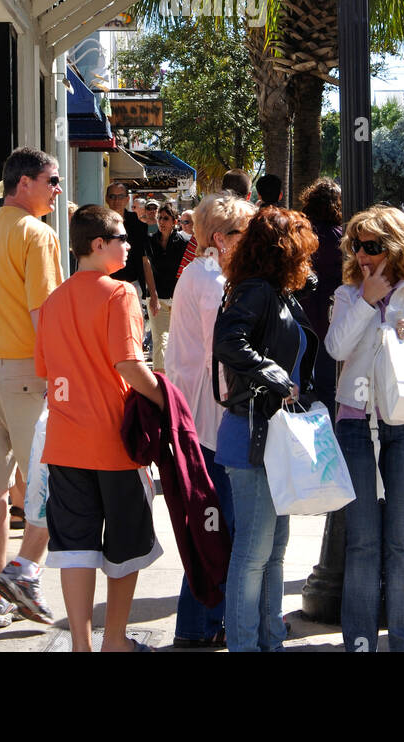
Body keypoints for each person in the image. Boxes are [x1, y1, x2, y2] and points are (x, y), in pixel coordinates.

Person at [34, 204, 164, 652]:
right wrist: (169, 400)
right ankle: (115, 641)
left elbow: (45, 370)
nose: (129, 244)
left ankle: (80, 646)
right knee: (125, 546)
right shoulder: (120, 294)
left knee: (75, 547)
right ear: (98, 245)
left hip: (65, 444)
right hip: (114, 444)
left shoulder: (53, 301)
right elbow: (128, 363)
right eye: (122, 238)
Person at [327, 206, 404, 652]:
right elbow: (335, 347)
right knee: (362, 542)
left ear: (395, 247)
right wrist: (365, 300)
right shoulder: (348, 295)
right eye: (355, 245)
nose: (361, 255)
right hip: (356, 423)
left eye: (371, 246)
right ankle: (359, 642)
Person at [0, 147, 63, 628]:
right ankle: (23, 573)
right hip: (24, 373)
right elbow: (44, 316)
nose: (57, 190)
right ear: (24, 183)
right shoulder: (37, 234)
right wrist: (63, 375)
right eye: (52, 180)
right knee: (50, 482)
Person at [212, 207, 318, 652]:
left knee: (271, 553)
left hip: (269, 433)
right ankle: (247, 644)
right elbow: (228, 341)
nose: (308, 257)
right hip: (254, 433)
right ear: (286, 251)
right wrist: (274, 375)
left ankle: (268, 640)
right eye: (303, 248)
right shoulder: (257, 291)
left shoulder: (271, 292)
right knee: (256, 554)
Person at [165, 190, 254, 647]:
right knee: (217, 529)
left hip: (205, 418)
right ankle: (199, 626)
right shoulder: (210, 278)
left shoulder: (203, 274)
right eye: (246, 231)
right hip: (210, 421)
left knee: (216, 528)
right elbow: (221, 352)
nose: (253, 239)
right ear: (222, 238)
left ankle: (203, 624)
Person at [296, 177, 343, 420]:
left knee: (302, 383)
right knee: (328, 385)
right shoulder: (340, 237)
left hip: (302, 314)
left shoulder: (300, 234)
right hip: (330, 316)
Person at [145, 202, 188, 372]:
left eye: (166, 218)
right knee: (160, 341)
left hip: (178, 300)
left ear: (174, 221)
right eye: (159, 218)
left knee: (177, 343)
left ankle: (176, 380)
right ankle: (160, 382)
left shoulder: (184, 242)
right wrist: (153, 297)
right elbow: (146, 267)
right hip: (157, 298)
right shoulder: (150, 240)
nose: (161, 222)